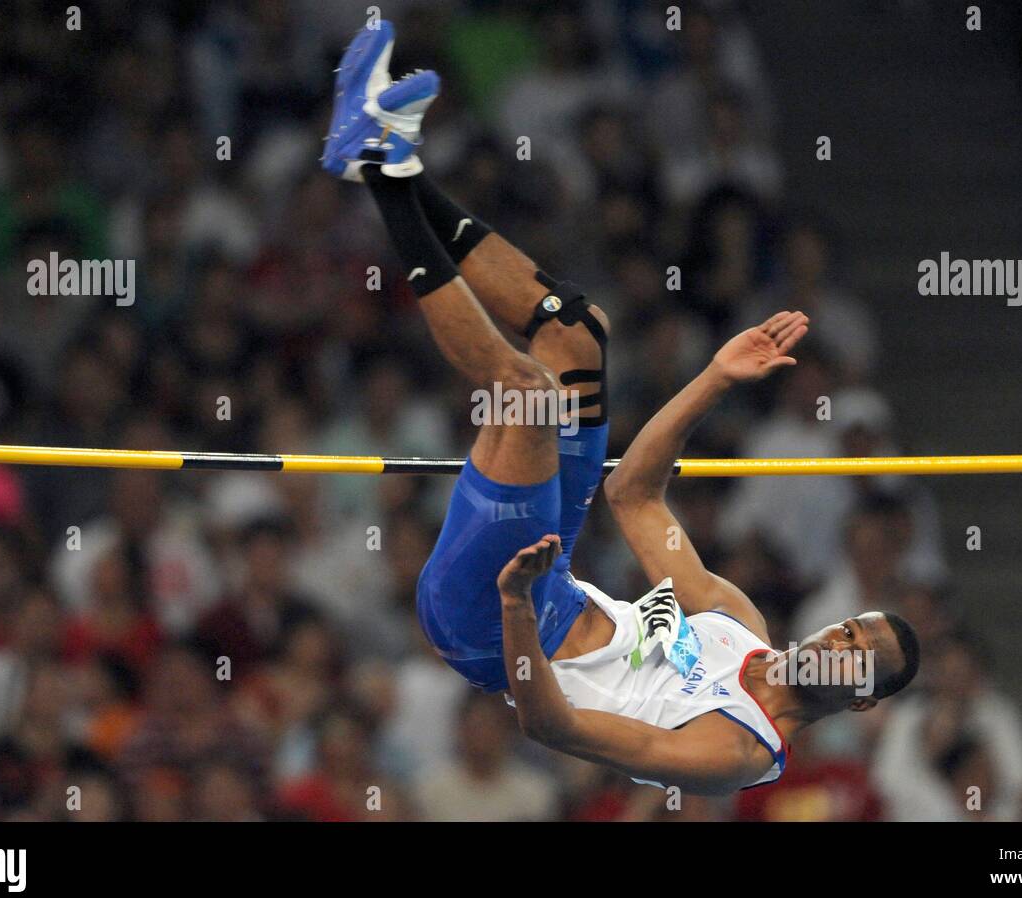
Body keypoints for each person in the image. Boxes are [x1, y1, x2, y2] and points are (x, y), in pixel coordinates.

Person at [321, 21, 920, 795]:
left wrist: (512, 606)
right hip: (557, 575)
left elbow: (553, 727)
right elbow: (634, 493)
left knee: (530, 397)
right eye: (848, 626)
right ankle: (385, 161)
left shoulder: (739, 751)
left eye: (855, 651)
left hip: (491, 623)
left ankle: (378, 166)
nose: (835, 638)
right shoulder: (735, 620)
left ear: (861, 693)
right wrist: (715, 376)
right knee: (576, 334)